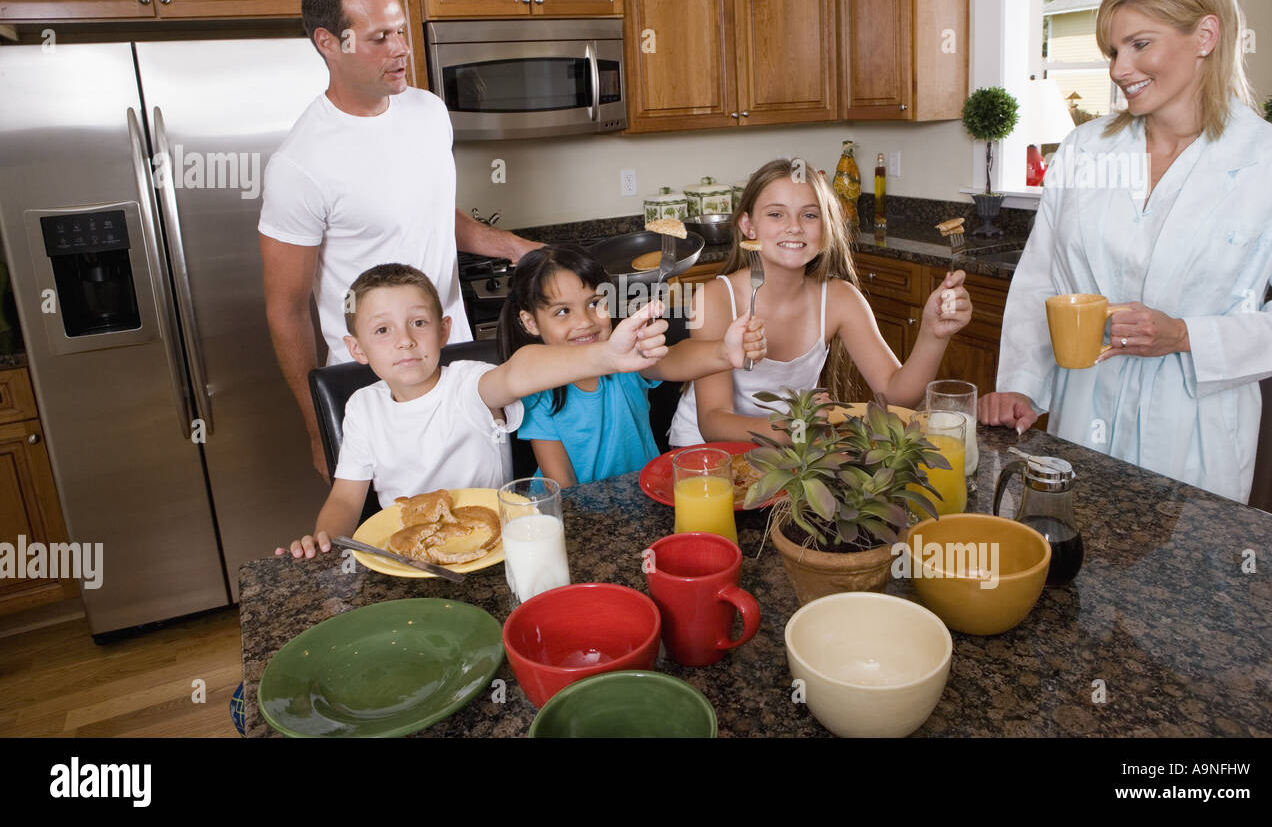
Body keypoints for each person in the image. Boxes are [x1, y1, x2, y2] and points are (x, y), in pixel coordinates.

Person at [979, 0, 1272, 504]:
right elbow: (1041, 279)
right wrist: (1024, 386)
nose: (1118, 68)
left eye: (1140, 44)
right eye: (1113, 50)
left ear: (1205, 35)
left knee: (1182, 587)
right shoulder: (1086, 148)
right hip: (1083, 421)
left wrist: (1186, 335)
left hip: (1195, 437)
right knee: (1076, 569)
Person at [258, 0, 541, 481]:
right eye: (379, 37)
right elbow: (286, 309)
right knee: (407, 533)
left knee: (492, 508)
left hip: (457, 363)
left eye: (401, 30)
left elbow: (431, 209)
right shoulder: (300, 165)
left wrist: (511, 246)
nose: (401, 48)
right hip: (379, 383)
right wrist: (319, 425)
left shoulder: (428, 112)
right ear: (329, 42)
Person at [277, 263, 669, 558]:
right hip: (411, 558)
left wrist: (606, 356)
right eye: (383, 330)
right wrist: (324, 542)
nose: (405, 341)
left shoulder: (469, 384)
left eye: (418, 322)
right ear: (357, 348)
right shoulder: (363, 408)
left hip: (497, 548)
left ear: (444, 330)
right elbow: (346, 500)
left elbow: (519, 372)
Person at [669, 158, 972, 446]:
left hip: (790, 451)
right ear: (748, 226)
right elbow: (713, 422)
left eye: (810, 215)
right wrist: (788, 429)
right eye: (776, 214)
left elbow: (896, 395)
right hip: (705, 454)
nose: (795, 226)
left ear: (826, 227)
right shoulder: (716, 299)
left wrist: (934, 334)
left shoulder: (839, 299)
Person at [498, 244, 767, 487]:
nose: (585, 322)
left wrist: (723, 351)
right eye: (563, 311)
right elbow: (561, 484)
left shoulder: (624, 360)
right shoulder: (540, 389)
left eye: (594, 303)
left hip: (642, 494)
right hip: (578, 512)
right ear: (530, 322)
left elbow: (674, 358)